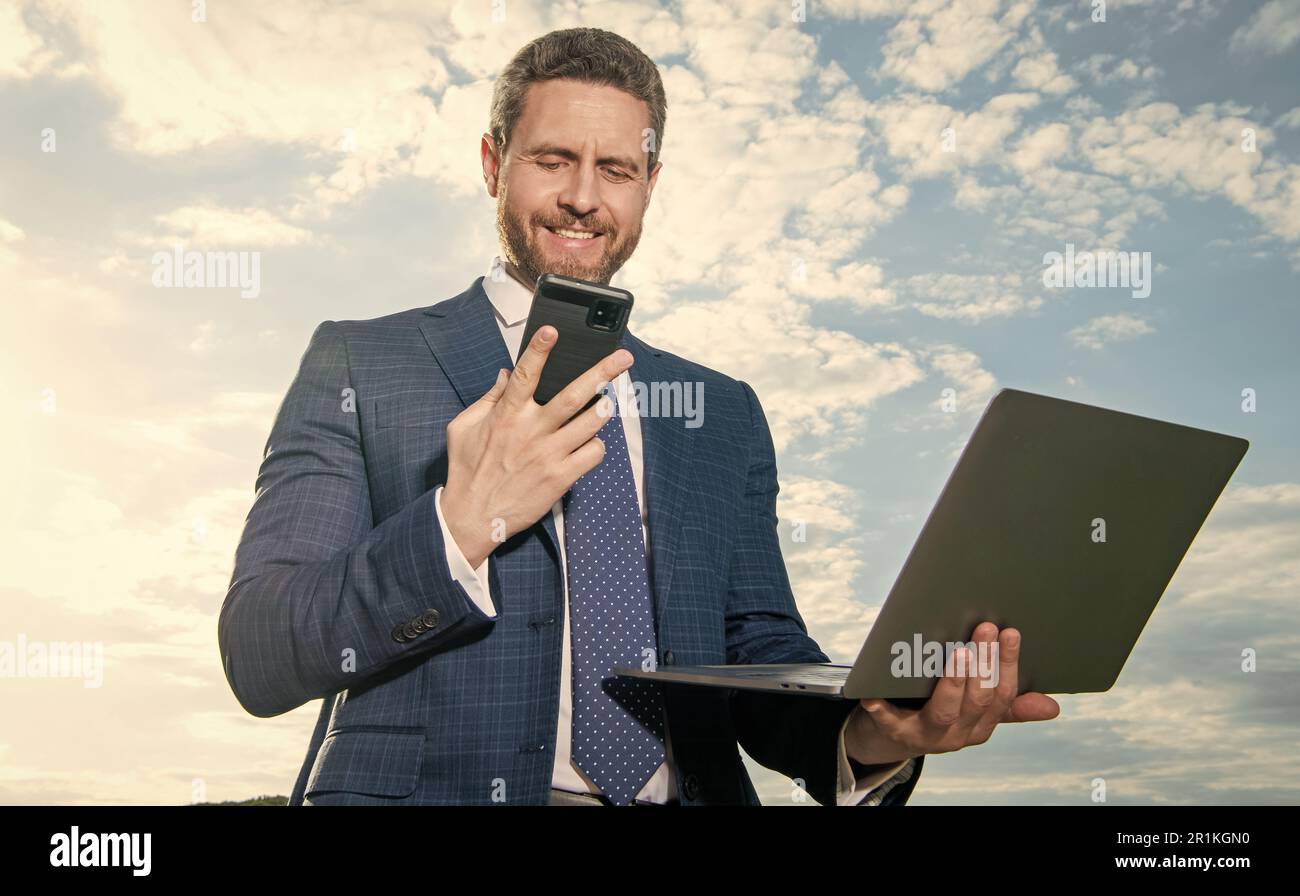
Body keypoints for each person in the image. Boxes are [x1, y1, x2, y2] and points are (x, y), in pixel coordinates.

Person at [218, 26, 1058, 807]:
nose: (584, 198)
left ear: (649, 185)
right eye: (553, 159)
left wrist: (873, 734)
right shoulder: (363, 361)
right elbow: (261, 646)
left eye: (616, 170)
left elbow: (759, 655)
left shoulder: (722, 413)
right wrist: (458, 524)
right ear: (492, 163)